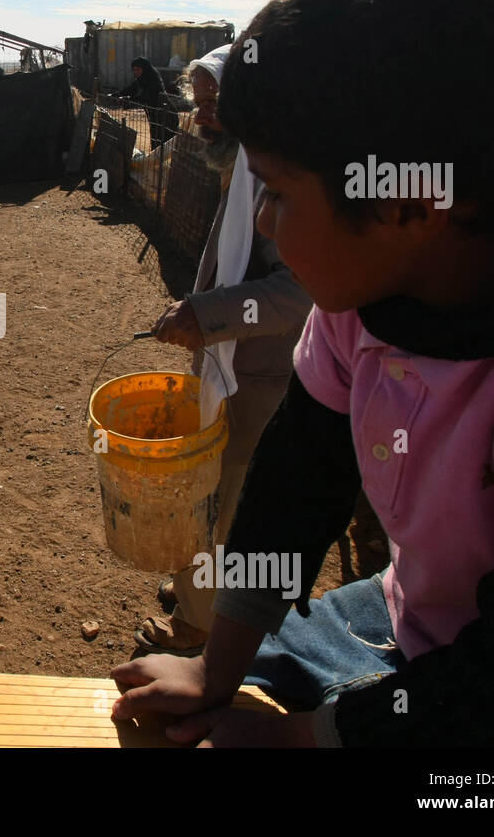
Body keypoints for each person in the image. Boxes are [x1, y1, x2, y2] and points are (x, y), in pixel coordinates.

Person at [110, 0, 494, 745]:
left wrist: (304, 740)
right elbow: (298, 476)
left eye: (277, 192)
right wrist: (217, 665)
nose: (262, 222)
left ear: (413, 199)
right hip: (412, 621)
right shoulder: (364, 300)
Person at [135, 45, 312, 655]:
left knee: (221, 496)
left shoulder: (280, 179)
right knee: (210, 491)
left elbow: (299, 292)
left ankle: (199, 630)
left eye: (217, 104)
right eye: (199, 102)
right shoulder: (239, 168)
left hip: (257, 378)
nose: (203, 115)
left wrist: (205, 314)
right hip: (230, 365)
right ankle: (199, 594)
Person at [117, 57, 174, 150]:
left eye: (138, 69)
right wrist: (118, 94)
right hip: (153, 112)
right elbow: (132, 88)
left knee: (164, 139)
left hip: (164, 112)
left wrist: (128, 99)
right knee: (155, 137)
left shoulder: (152, 79)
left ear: (144, 68)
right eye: (134, 70)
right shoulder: (142, 78)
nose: (135, 72)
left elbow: (146, 97)